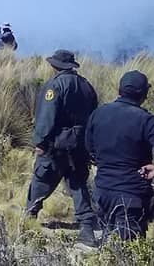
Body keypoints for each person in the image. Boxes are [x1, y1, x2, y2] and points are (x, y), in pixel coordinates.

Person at [86, 70, 154, 241]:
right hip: (130, 196)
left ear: (119, 90)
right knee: (128, 252)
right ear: (144, 95)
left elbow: (89, 147)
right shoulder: (146, 120)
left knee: (108, 245)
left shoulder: (98, 114)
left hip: (102, 192)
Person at [26, 49, 99, 247]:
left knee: (42, 178)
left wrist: (40, 142)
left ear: (55, 66)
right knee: (78, 184)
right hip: (80, 145)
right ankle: (86, 228)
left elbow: (46, 117)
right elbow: (94, 117)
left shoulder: (54, 86)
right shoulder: (86, 86)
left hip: (56, 144)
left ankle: (27, 219)